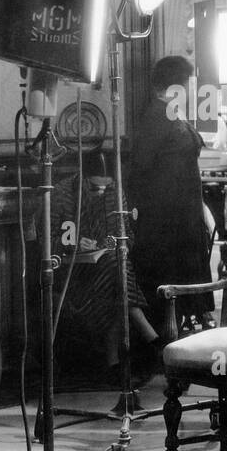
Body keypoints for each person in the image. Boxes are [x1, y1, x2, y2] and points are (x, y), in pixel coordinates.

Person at [50, 153, 159, 381]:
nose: (101, 192)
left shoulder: (115, 193)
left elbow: (126, 235)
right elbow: (47, 239)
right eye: (94, 187)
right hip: (72, 270)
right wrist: (74, 242)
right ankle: (150, 337)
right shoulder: (61, 194)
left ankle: (113, 362)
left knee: (116, 264)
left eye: (105, 187)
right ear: (83, 178)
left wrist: (110, 244)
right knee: (118, 268)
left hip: (107, 265)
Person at [128, 55, 215, 337]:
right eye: (189, 82)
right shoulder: (157, 114)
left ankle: (181, 337)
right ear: (177, 83)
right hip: (165, 219)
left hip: (183, 213)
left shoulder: (172, 111)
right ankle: (167, 347)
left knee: (185, 278)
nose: (192, 88)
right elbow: (140, 167)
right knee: (171, 281)